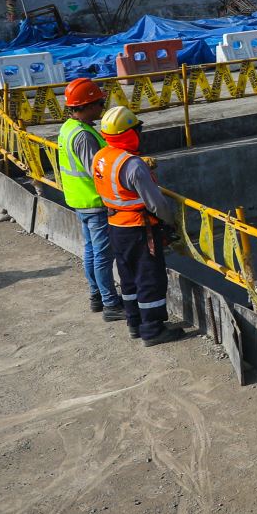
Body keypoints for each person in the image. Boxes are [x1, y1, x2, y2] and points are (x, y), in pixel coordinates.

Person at [92, 105, 187, 347]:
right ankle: (153, 330)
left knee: (129, 278)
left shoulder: (102, 157)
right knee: (150, 279)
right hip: (139, 228)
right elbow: (156, 204)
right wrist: (170, 222)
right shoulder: (132, 165)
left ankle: (135, 323)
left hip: (115, 225)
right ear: (129, 133)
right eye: (137, 129)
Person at [58, 78, 123, 321]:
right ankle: (110, 303)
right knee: (102, 255)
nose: (102, 108)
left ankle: (97, 296)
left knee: (91, 251)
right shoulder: (84, 136)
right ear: (85, 106)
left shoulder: (68, 128)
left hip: (79, 201)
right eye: (98, 103)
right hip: (94, 203)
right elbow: (97, 172)